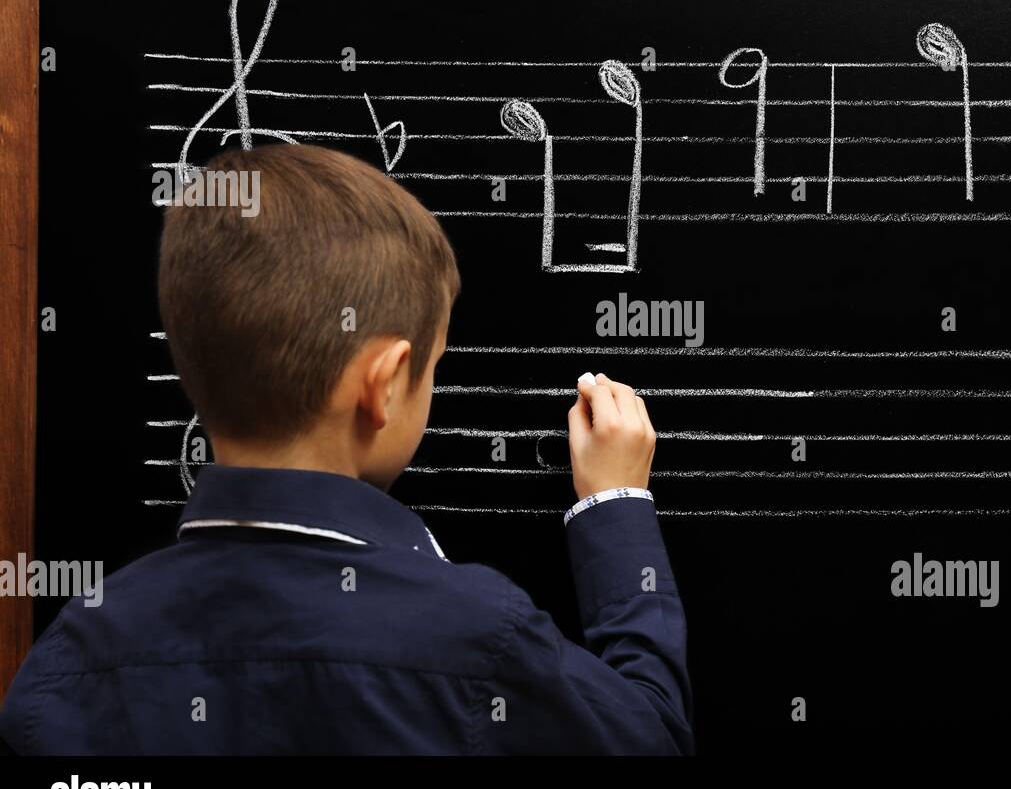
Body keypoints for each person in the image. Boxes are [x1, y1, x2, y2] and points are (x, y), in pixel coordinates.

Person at [0, 144, 692, 754]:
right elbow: (651, 736)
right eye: (434, 366)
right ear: (384, 385)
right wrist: (616, 506)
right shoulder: (482, 640)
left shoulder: (69, 657)